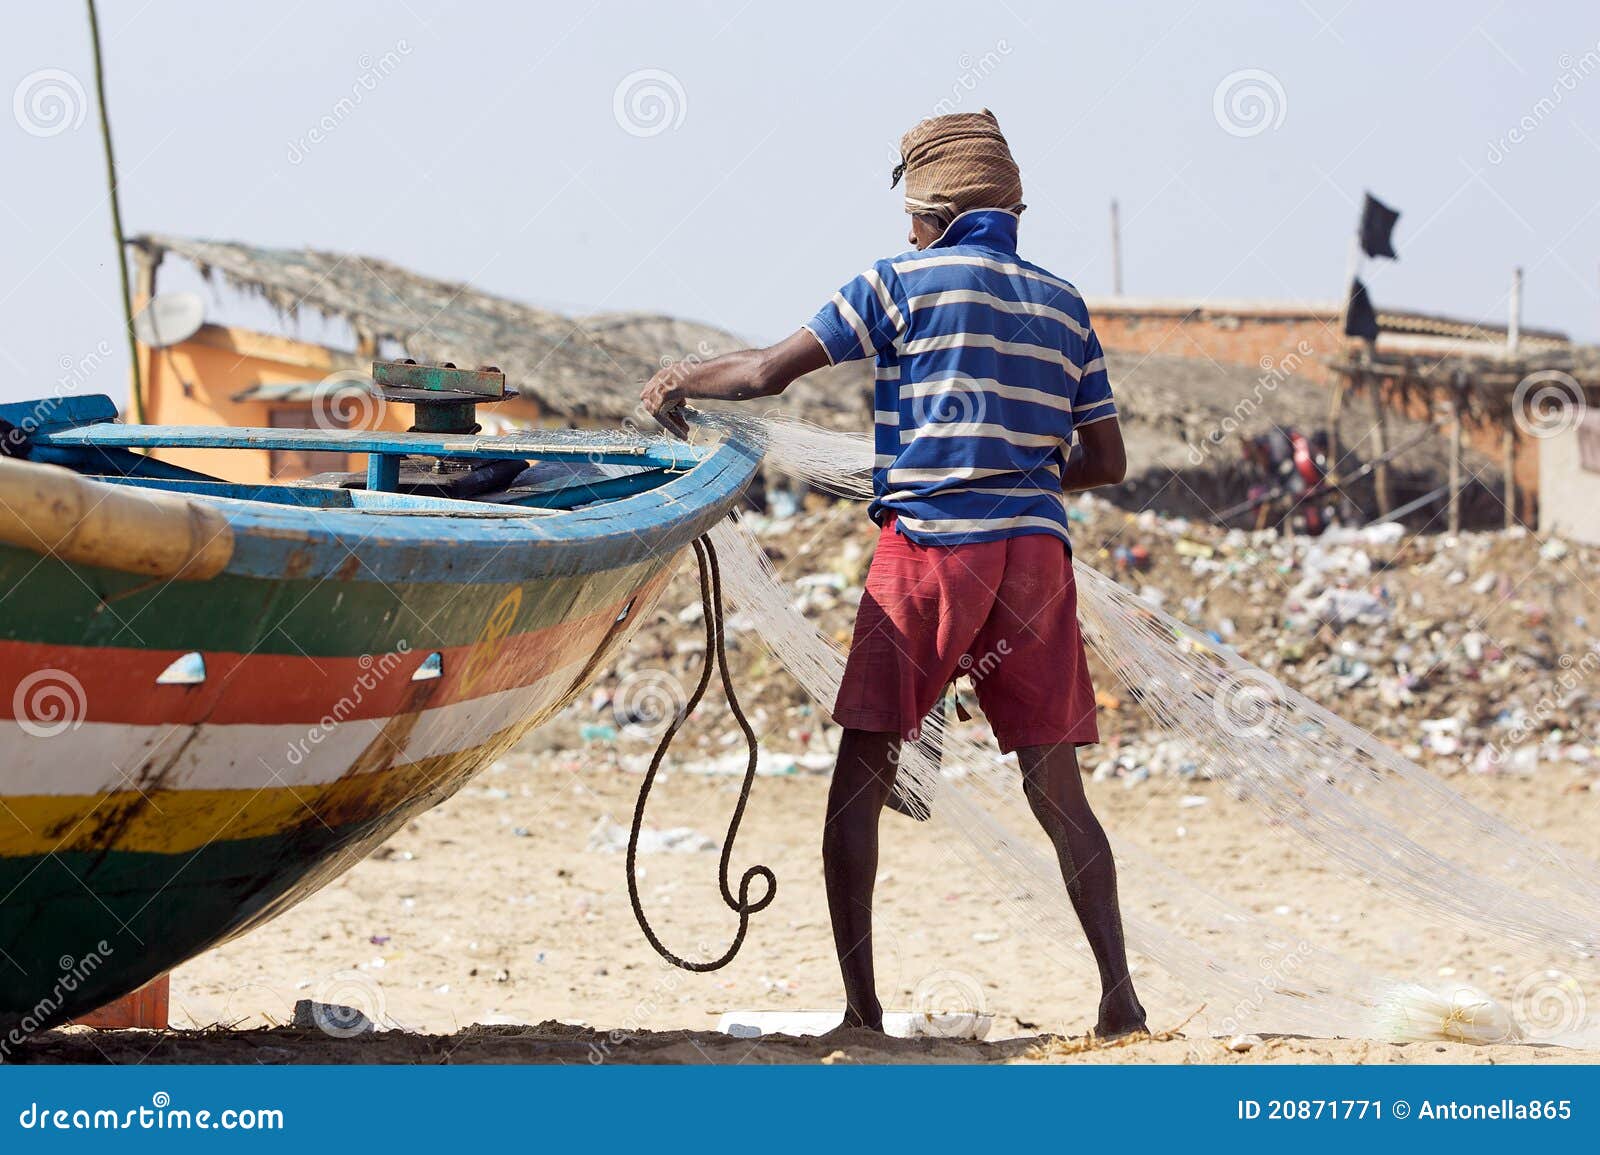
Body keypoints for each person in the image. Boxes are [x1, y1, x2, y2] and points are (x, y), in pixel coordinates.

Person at [641, 110, 1146, 1038]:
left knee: (859, 776)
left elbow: (765, 373)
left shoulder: (897, 283)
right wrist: (1015, 471)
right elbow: (1106, 460)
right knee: (1057, 789)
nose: (907, 232)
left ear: (938, 213)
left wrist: (679, 380)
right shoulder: (1065, 304)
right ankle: (1120, 999)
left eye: (912, 215)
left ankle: (862, 1011)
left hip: (932, 549)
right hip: (1036, 559)